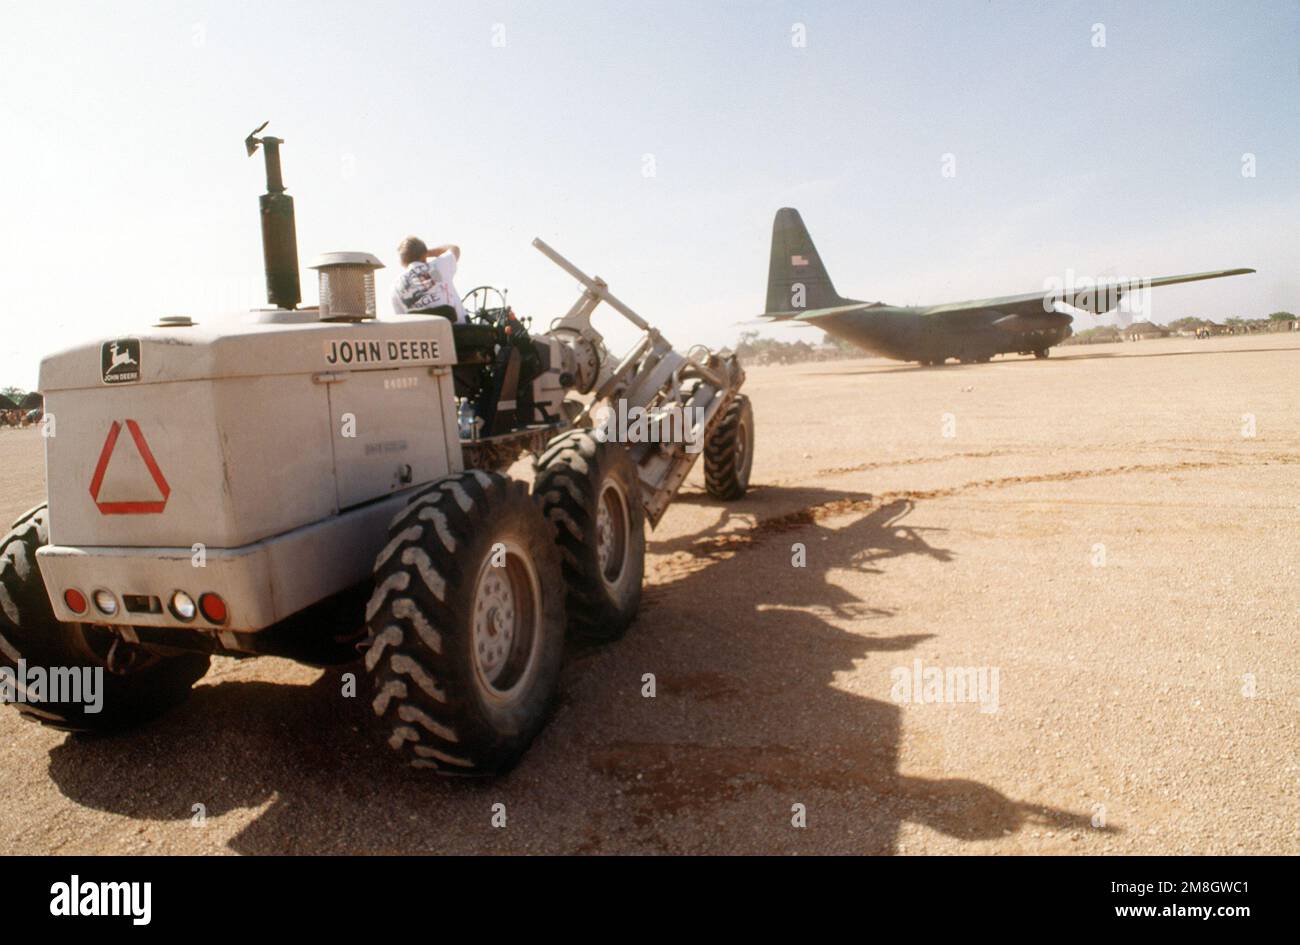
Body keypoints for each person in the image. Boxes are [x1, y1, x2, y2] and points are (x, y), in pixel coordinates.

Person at [391, 236, 466, 322]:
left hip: (423, 334)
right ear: (424, 255)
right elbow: (454, 248)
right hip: (459, 331)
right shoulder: (439, 266)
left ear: (402, 261)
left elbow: (401, 321)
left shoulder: (395, 288)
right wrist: (428, 252)